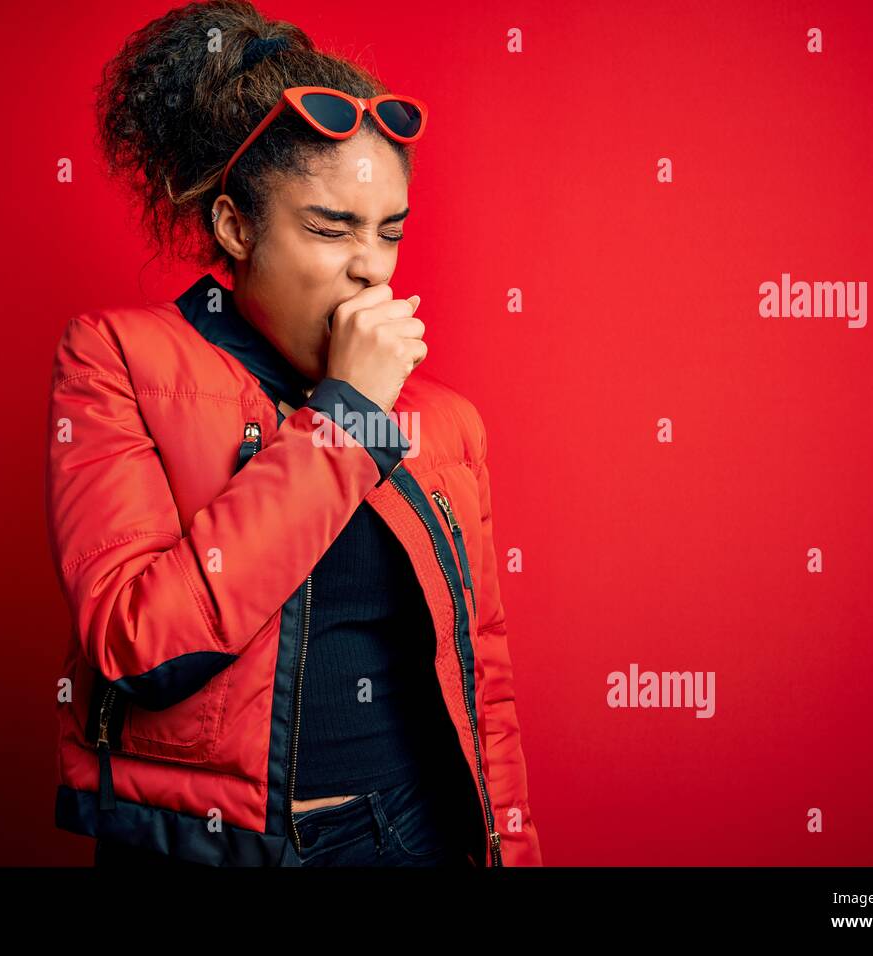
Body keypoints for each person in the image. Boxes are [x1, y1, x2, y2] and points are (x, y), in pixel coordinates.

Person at [46, 0, 543, 867]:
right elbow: (140, 650)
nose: (371, 265)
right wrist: (344, 418)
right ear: (236, 228)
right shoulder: (116, 358)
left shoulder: (445, 422)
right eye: (329, 227)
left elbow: (483, 684)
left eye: (389, 231)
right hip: (219, 849)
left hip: (414, 835)